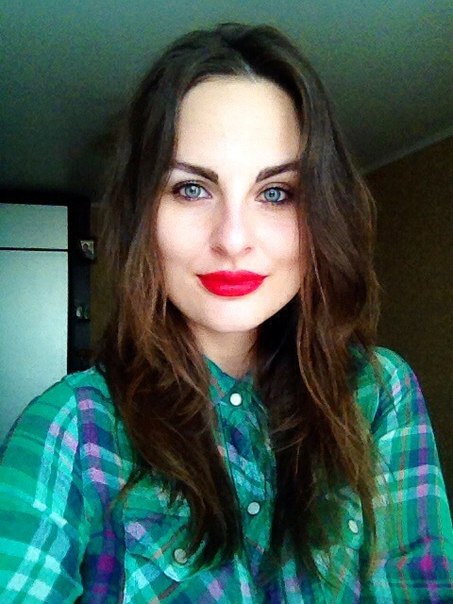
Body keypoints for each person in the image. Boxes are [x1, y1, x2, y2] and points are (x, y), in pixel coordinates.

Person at [0, 23, 451, 603]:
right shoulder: (72, 427)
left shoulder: (379, 392)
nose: (233, 239)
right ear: (141, 214)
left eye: (276, 193)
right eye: (191, 189)